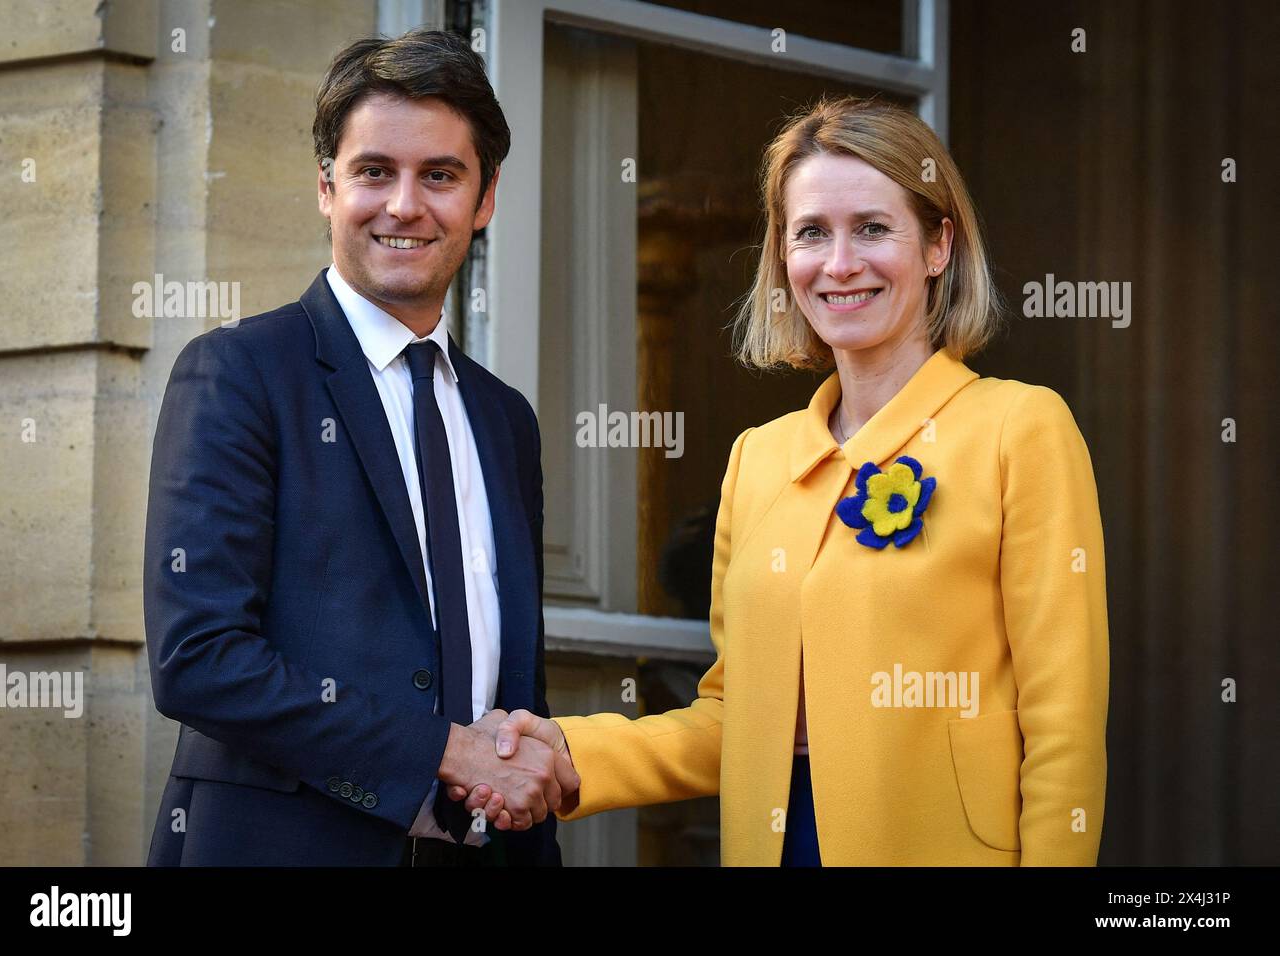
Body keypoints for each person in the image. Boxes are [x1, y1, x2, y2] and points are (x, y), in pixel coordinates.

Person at [454, 95, 1110, 866]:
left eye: (872, 228)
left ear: (939, 245)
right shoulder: (757, 458)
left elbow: (1063, 726)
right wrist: (569, 751)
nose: (840, 263)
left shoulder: (1021, 428)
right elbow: (735, 718)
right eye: (811, 233)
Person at [144, 29, 577, 867]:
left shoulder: (506, 421)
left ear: (486, 198)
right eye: (374, 171)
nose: (404, 206)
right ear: (327, 187)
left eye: (440, 176)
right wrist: (443, 753)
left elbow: (515, 682)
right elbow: (199, 658)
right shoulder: (238, 372)